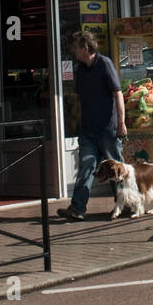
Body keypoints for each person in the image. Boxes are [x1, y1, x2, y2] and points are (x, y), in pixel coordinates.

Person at [58, 30, 128, 221]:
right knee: (86, 167)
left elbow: (118, 94)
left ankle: (125, 204)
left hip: (107, 128)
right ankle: (78, 208)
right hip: (88, 129)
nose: (72, 51)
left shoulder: (104, 64)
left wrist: (121, 123)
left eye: (75, 47)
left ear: (85, 48)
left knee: (116, 169)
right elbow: (81, 98)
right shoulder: (81, 70)